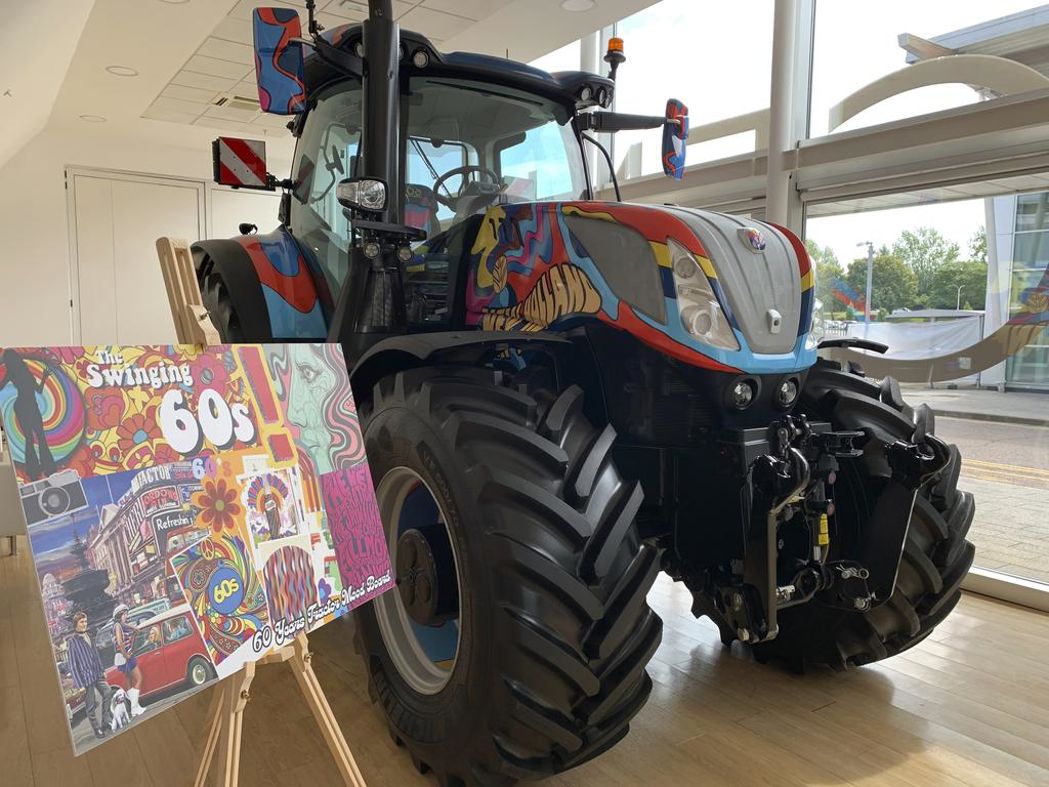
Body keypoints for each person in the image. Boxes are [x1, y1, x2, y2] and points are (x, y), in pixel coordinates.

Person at [0, 348, 56, 480]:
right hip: (24, 406)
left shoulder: (21, 372)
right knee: (32, 438)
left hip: (30, 406)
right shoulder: (13, 373)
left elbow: (39, 390)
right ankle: (35, 470)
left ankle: (43, 468)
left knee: (38, 437)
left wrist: (44, 377)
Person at [65, 611, 112, 739]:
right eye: (81, 622)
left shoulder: (89, 636)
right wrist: (80, 684)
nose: (84, 624)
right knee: (90, 706)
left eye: (85, 621)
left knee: (107, 691)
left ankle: (105, 721)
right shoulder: (72, 642)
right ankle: (97, 730)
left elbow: (96, 655)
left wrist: (102, 670)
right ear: (76, 624)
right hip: (86, 679)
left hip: (97, 673)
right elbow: (73, 665)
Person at [112, 604, 145, 717]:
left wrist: (134, 628)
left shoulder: (121, 624)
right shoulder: (117, 626)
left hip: (123, 656)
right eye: (125, 614)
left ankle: (135, 707)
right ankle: (134, 707)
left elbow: (129, 627)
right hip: (125, 656)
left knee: (129, 681)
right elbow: (120, 642)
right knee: (139, 678)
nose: (126, 616)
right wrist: (126, 655)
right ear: (120, 615)